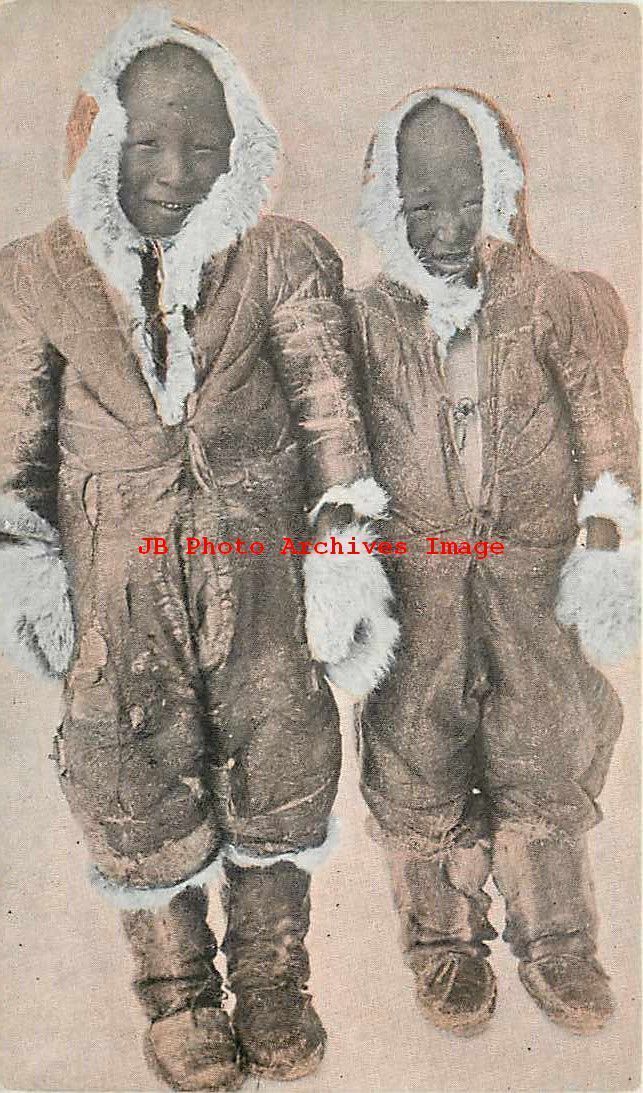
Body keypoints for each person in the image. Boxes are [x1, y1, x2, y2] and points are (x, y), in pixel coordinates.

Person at [0, 9, 396, 1090]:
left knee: (281, 750)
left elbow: (329, 411)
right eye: (146, 142)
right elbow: (14, 447)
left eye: (205, 145)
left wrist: (341, 541)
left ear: (243, 149)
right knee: (129, 763)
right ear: (99, 143)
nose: (175, 172)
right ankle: (177, 990)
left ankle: (271, 976)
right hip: (117, 583)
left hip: (259, 575)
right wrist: (23, 558)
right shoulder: (34, 275)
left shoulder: (281, 258)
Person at [348, 87, 639, 1037]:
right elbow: (337, 439)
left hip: (529, 569)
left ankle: (557, 934)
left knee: (543, 735)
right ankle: (440, 935)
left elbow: (601, 416)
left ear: (504, 192)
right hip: (419, 577)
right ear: (385, 205)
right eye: (419, 206)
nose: (445, 228)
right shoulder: (365, 319)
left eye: (467, 202)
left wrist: (605, 521)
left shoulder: (551, 298)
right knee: (416, 739)